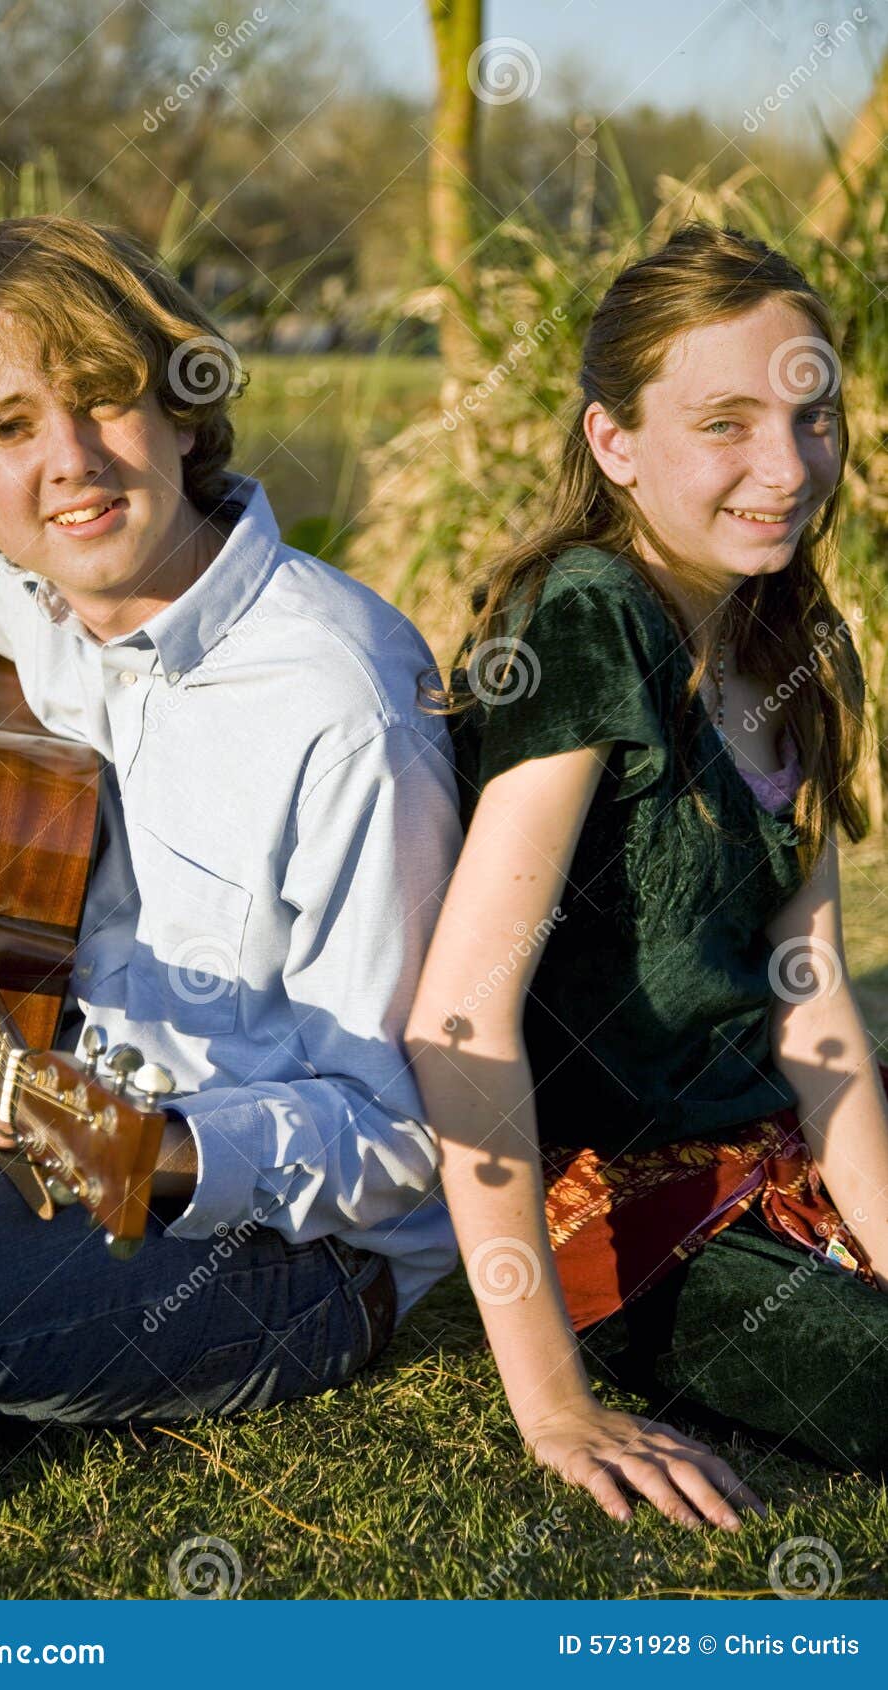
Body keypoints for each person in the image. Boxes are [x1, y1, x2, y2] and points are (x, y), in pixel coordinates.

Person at [0, 215, 462, 1564]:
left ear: (183, 407)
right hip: (25, 1098)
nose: (68, 460)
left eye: (106, 394)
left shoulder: (341, 695)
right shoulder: (24, 590)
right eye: (7, 425)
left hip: (283, 1256)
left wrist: (137, 1143)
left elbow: (399, 1137)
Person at [405, 221, 888, 1535]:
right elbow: (459, 1015)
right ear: (616, 442)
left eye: (811, 415)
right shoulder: (587, 613)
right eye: (725, 422)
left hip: (778, 1153)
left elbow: (816, 999)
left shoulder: (799, 641)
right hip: (626, 1214)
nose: (786, 468)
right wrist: (552, 1404)